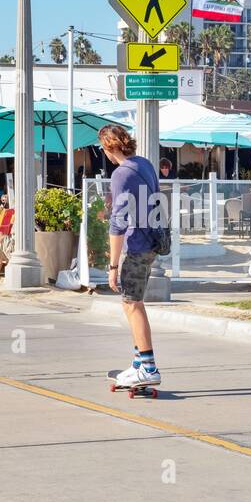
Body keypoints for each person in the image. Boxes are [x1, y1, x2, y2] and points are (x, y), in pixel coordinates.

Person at [100, 124, 163, 390]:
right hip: (152, 240)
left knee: (132, 303)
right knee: (132, 302)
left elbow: (117, 223)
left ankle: (148, 367)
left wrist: (113, 266)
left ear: (109, 147)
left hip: (135, 244)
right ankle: (138, 363)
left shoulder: (121, 173)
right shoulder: (144, 164)